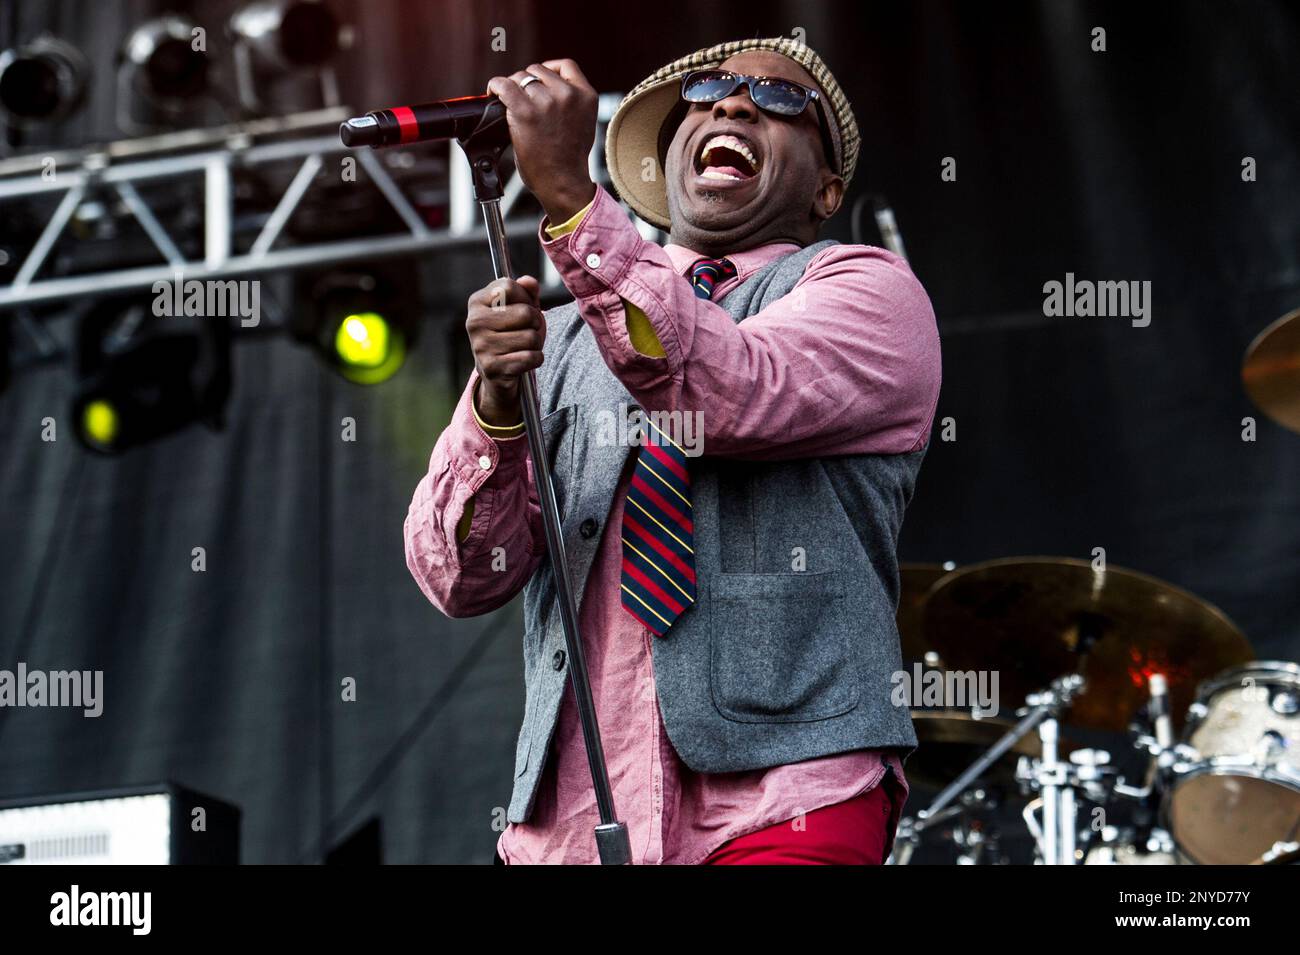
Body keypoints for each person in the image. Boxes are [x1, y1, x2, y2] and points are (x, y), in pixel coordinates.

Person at [404, 37, 941, 864]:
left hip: (787, 799)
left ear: (827, 188)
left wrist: (571, 204)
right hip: (577, 822)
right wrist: (496, 408)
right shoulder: (560, 342)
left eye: (782, 100)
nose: (733, 103)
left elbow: (722, 388)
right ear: (665, 161)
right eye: (712, 90)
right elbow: (461, 576)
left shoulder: (867, 292)